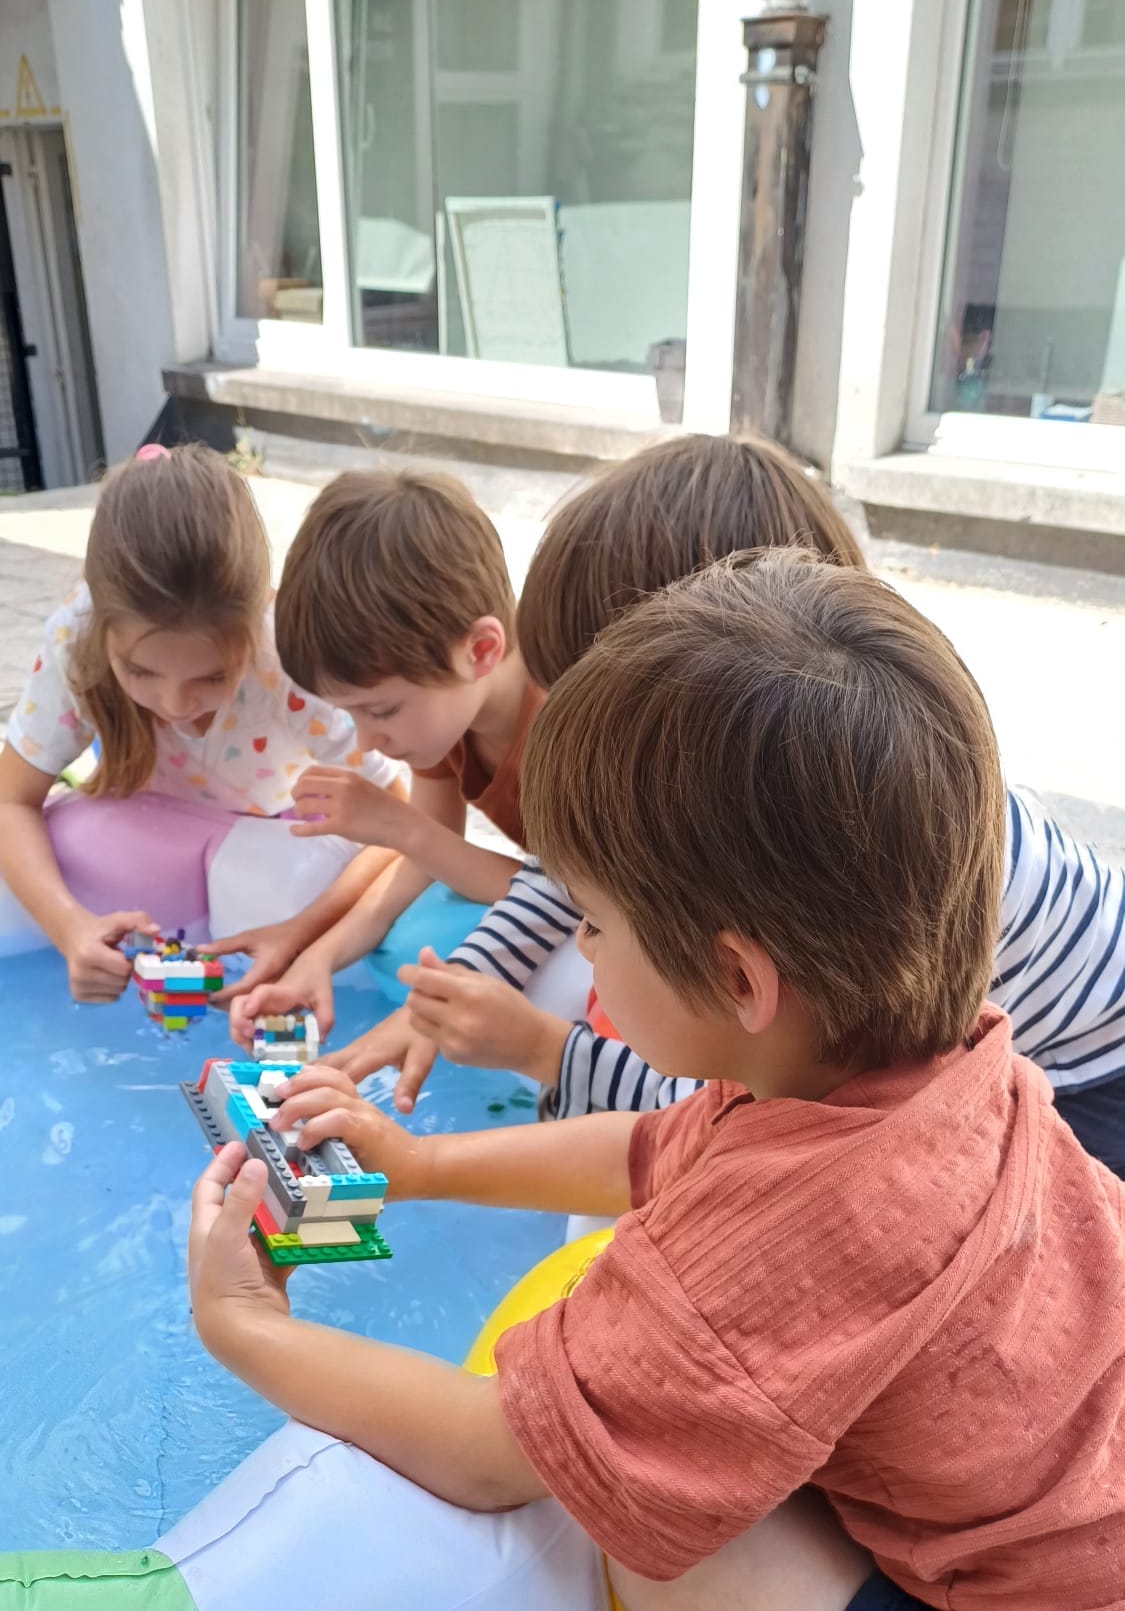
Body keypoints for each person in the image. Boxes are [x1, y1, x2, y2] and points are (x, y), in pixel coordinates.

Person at [190, 553, 1125, 1611]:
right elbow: (654, 1145)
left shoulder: (761, 1260)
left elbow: (497, 1450)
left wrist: (244, 1327)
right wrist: (418, 1163)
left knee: (658, 1527)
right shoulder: (956, 1065)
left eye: (600, 922)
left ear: (738, 978)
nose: (590, 956)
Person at [328, 435, 1125, 1176]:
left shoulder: (848, 882)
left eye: (605, 707)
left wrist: (547, 1052)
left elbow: (751, 1119)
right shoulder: (772, 777)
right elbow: (556, 877)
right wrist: (459, 986)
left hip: (1090, 1077)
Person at [0, 445, 404, 1002]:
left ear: (253, 623)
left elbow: (401, 821)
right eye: (139, 671)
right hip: (146, 824)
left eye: (212, 679)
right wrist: (68, 926)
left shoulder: (287, 658)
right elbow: (10, 799)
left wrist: (304, 930)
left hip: (272, 829)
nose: (174, 703)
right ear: (107, 634)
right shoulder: (79, 635)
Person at [225, 467, 543, 1046]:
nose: (366, 741)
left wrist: (399, 826)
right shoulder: (448, 714)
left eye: (381, 710)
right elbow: (423, 862)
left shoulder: (567, 729)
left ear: (481, 649)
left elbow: (573, 897)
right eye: (350, 714)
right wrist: (318, 960)